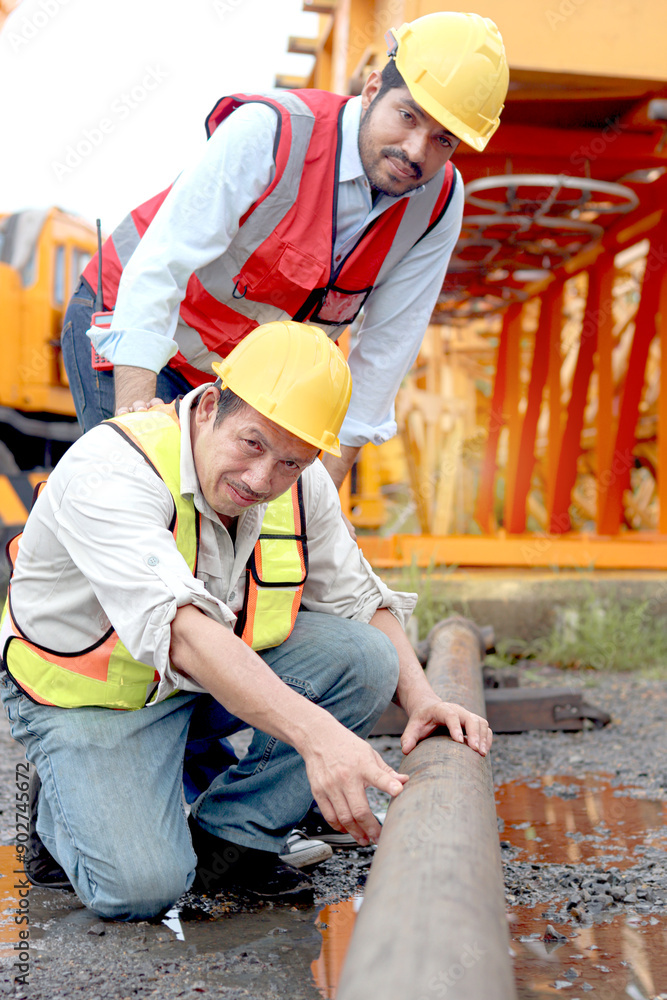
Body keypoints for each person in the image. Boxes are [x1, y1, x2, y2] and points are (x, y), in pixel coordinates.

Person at [0, 322, 492, 920]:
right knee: (141, 890)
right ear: (209, 406)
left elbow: (358, 598)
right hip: (86, 698)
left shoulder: (301, 481)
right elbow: (180, 629)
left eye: (291, 461)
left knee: (366, 657)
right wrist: (320, 741)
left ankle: (232, 840)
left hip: (191, 686)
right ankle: (60, 810)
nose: (263, 481)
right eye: (251, 445)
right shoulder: (112, 468)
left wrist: (421, 699)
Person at [61, 11, 509, 488]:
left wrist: (327, 499)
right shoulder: (272, 132)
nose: (417, 151)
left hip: (236, 384)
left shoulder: (438, 203)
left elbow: (386, 348)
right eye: (407, 117)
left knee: (235, 541)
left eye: (443, 139)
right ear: (373, 88)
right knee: (136, 499)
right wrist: (137, 426)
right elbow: (161, 265)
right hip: (129, 323)